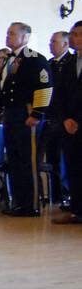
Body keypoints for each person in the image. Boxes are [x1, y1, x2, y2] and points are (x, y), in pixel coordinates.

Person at [0, 21, 52, 217]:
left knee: (27, 161)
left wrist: (37, 113)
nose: (8, 37)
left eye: (12, 34)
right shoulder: (9, 59)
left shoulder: (35, 59)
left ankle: (31, 204)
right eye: (7, 33)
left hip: (26, 113)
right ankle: (19, 202)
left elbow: (45, 87)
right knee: (14, 158)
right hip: (11, 114)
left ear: (25, 37)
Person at [51, 21, 82, 225]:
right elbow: (59, 94)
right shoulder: (69, 63)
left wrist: (78, 119)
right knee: (73, 166)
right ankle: (77, 210)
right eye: (72, 34)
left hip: (80, 121)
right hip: (69, 123)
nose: (73, 38)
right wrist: (65, 119)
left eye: (78, 34)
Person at [45, 30, 73, 205]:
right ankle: (55, 194)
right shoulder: (50, 64)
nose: (50, 44)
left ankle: (67, 193)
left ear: (65, 44)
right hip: (51, 117)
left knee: (65, 158)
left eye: (54, 42)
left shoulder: (69, 63)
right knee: (52, 157)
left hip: (64, 117)